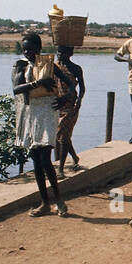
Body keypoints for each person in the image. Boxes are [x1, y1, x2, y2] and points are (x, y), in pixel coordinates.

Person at [12, 32, 70, 218]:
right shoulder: (20, 65)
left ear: (39, 49)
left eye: (31, 49)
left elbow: (71, 85)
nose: (28, 52)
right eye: (25, 49)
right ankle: (45, 202)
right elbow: (16, 89)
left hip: (48, 111)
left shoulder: (48, 65)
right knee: (36, 158)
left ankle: (59, 200)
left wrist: (65, 99)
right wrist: (38, 82)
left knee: (45, 156)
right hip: (30, 112)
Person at [53, 44, 85, 175]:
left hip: (70, 105)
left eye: (63, 52)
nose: (59, 54)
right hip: (56, 105)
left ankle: (60, 168)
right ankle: (75, 157)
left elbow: (82, 88)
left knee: (62, 135)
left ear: (70, 53)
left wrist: (79, 101)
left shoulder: (75, 68)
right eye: (58, 52)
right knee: (63, 136)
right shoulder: (53, 67)